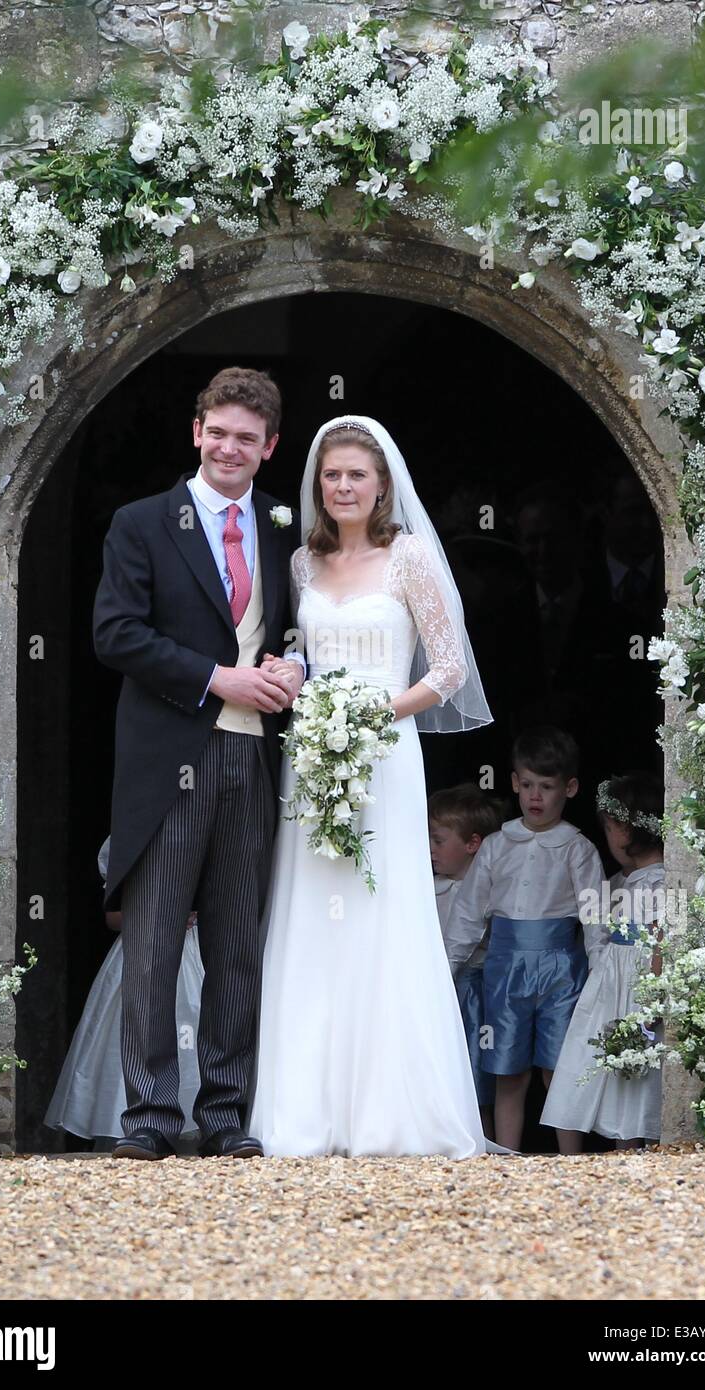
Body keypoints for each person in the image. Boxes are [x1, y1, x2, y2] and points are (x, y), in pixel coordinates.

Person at [246, 415, 511, 1158]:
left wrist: (374, 713)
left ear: (382, 483)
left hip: (383, 751)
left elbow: (449, 668)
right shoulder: (301, 564)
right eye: (330, 475)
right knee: (311, 913)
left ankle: (391, 1112)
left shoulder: (411, 557)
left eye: (355, 475)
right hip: (314, 754)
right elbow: (298, 651)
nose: (341, 487)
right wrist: (294, 677)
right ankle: (307, 1111)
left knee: (381, 908)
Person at [92, 367, 305, 1160]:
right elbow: (114, 634)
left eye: (245, 438)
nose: (228, 447)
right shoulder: (142, 523)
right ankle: (148, 1119)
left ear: (268, 447)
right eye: (216, 432)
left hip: (254, 759)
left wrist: (293, 668)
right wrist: (217, 677)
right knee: (152, 945)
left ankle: (224, 1116)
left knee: (237, 943)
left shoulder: (284, 528)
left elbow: (298, 631)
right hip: (170, 755)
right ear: (196, 432)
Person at [443, 727, 605, 1154]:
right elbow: (468, 913)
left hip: (561, 971)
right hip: (504, 971)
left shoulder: (578, 849)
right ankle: (507, 1160)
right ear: (514, 782)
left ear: (569, 789)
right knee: (508, 1070)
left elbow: (595, 918)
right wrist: (446, 968)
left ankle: (573, 1159)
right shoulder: (496, 845)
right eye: (528, 784)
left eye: (547, 787)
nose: (535, 796)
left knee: (560, 1068)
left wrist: (601, 973)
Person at [44, 836, 204, 1151]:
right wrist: (160, 914)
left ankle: (197, 1131)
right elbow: (113, 917)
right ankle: (140, 1128)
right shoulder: (128, 837)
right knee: (134, 1036)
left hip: (197, 955)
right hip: (140, 950)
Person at [540, 772, 665, 1147]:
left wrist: (653, 997)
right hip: (609, 984)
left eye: (611, 827)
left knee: (634, 1077)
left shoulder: (661, 882)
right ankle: (577, 1154)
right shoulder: (622, 881)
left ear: (629, 830)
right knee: (583, 1061)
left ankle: (629, 1149)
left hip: (635, 984)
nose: (608, 836)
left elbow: (661, 939)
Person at [429, 784, 511, 1138]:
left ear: (472, 844)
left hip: (474, 992)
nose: (429, 849)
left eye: (438, 840)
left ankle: (486, 1139)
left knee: (476, 1073)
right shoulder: (422, 886)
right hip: (436, 989)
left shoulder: (488, 889)